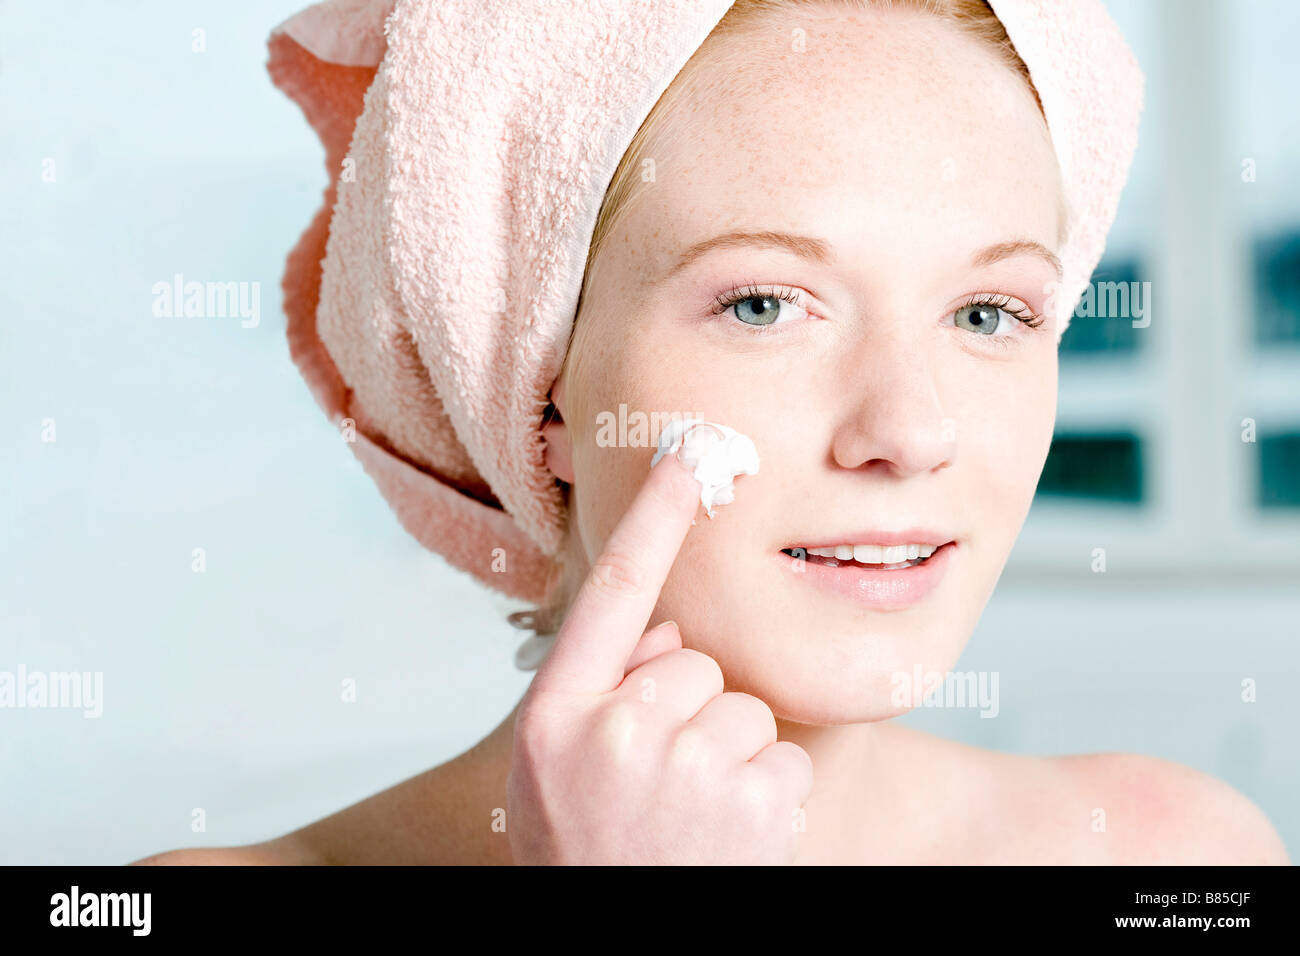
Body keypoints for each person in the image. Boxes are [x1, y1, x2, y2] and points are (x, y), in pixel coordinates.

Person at [133, 0, 1289, 865]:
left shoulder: (1175, 855)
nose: (910, 429)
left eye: (989, 313)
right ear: (541, 400)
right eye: (763, 305)